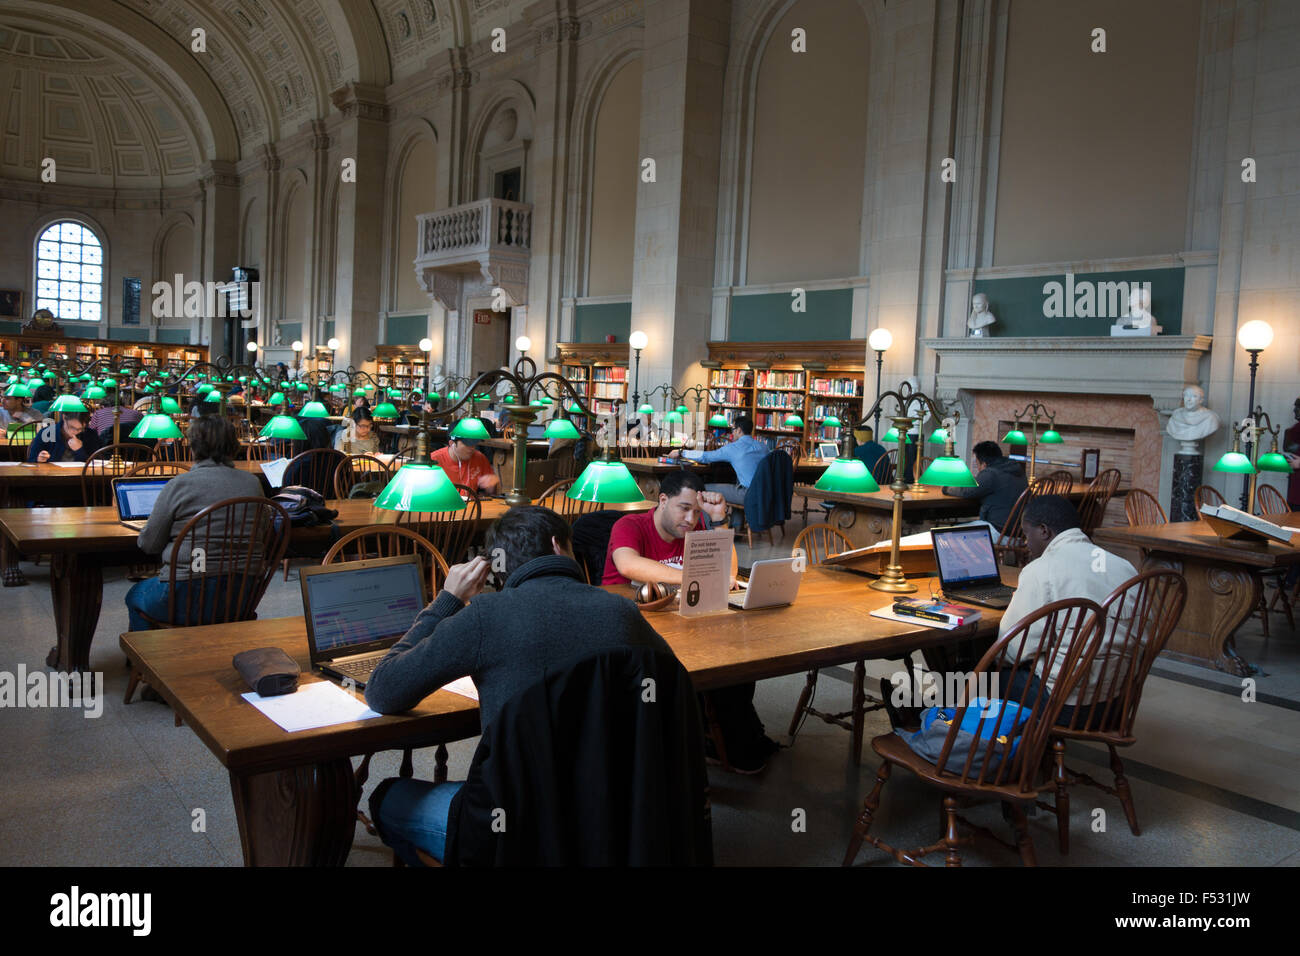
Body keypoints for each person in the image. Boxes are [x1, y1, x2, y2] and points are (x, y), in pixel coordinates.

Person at [364, 506, 682, 864]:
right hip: (612, 816)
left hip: (513, 831)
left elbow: (383, 690)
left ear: (496, 568)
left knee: (386, 797)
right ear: (559, 547)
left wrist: (447, 600)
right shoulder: (621, 612)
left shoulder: (484, 617)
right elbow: (673, 685)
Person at [602, 470, 777, 772]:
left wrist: (719, 519)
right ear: (663, 500)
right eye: (684, 508)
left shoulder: (693, 533)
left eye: (697, 511)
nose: (691, 518)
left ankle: (724, 736)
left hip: (682, 627)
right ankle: (716, 738)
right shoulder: (630, 525)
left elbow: (728, 575)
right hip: (628, 628)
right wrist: (697, 576)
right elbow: (627, 564)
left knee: (739, 658)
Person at [996, 495, 1137, 720]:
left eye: (1026, 534)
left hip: (1065, 706)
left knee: (985, 675)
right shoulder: (1125, 568)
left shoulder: (1041, 570)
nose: (1025, 543)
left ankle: (995, 749)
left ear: (1043, 531)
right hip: (1117, 703)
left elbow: (1012, 650)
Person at [125, 416, 266, 633]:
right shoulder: (253, 484)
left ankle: (149, 660)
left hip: (186, 594)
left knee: (135, 594)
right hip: (239, 596)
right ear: (233, 446)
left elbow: (149, 545)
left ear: (193, 447)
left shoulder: (179, 485)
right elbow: (263, 531)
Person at [667, 415, 768, 528]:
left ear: (739, 430)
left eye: (733, 430)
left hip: (747, 494)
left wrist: (681, 452)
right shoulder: (763, 447)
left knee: (703, 490)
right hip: (765, 494)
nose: (732, 433)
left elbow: (706, 457)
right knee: (736, 485)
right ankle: (736, 526)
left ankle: (708, 529)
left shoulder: (734, 448)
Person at [942, 440, 1027, 532]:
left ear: (984, 464)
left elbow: (967, 491)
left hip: (998, 531)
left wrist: (946, 488)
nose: (978, 469)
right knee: (959, 527)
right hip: (1017, 532)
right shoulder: (1015, 469)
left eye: (977, 464)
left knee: (949, 533)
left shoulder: (991, 474)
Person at [433, 435, 500, 495]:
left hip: (472, 506)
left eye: (474, 443)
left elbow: (491, 492)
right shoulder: (433, 460)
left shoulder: (479, 458)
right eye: (467, 444)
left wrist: (492, 485)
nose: (472, 448)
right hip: (443, 506)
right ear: (452, 443)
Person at [27, 413, 97, 463]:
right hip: (52, 477)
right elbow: (31, 460)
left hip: (81, 479)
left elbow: (96, 464)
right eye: (72, 427)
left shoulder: (89, 434)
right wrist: (39, 459)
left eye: (80, 429)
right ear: (64, 417)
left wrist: (79, 450)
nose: (75, 432)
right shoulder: (48, 433)